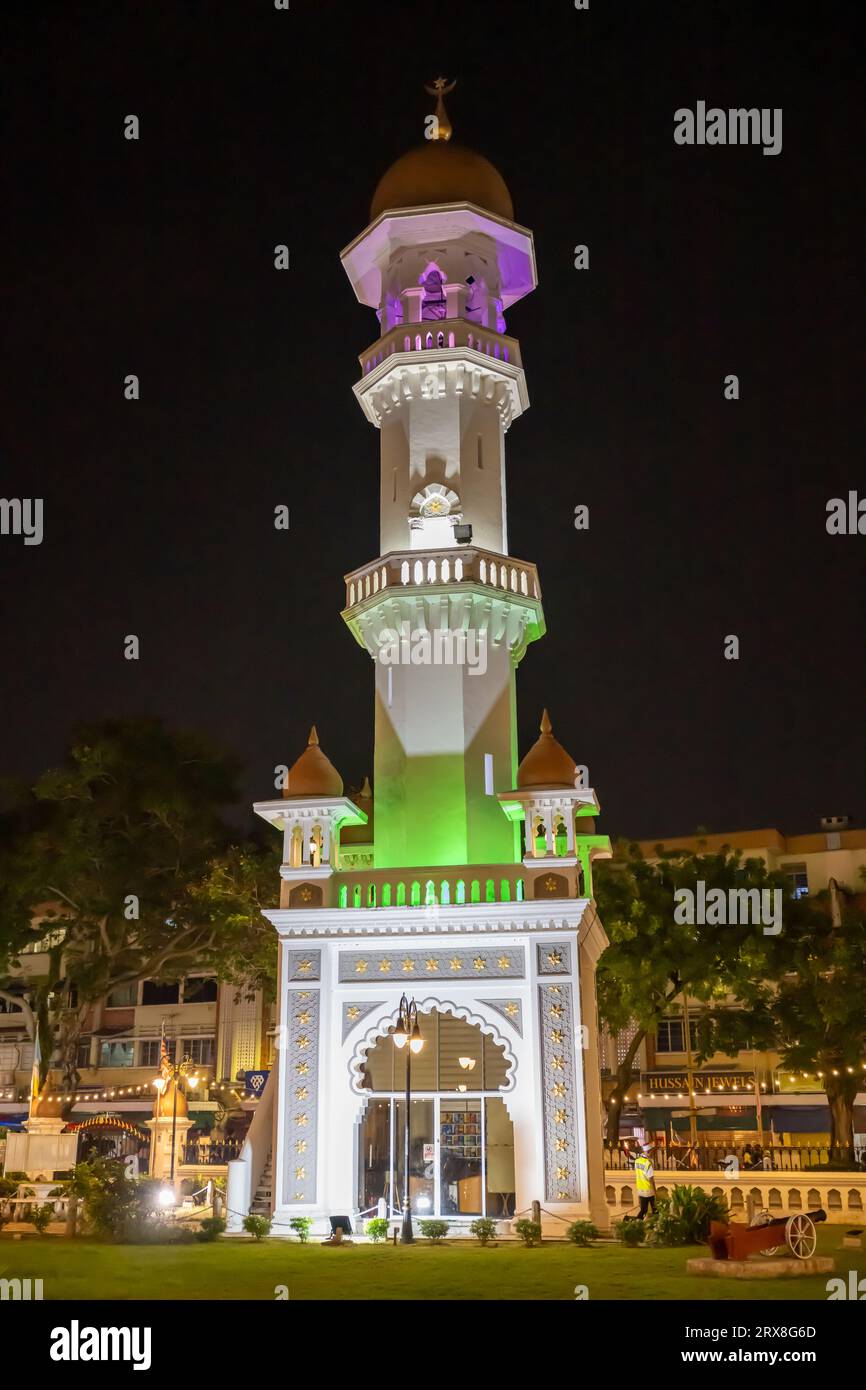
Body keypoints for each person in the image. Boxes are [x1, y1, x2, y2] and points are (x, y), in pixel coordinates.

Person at [634, 1142, 657, 1220]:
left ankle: (636, 1224)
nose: (652, 1154)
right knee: (655, 1209)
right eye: (651, 1152)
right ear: (648, 1151)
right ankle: (658, 1226)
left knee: (643, 1210)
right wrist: (655, 1191)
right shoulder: (648, 1163)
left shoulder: (637, 1161)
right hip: (648, 1190)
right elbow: (651, 1179)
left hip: (640, 1189)